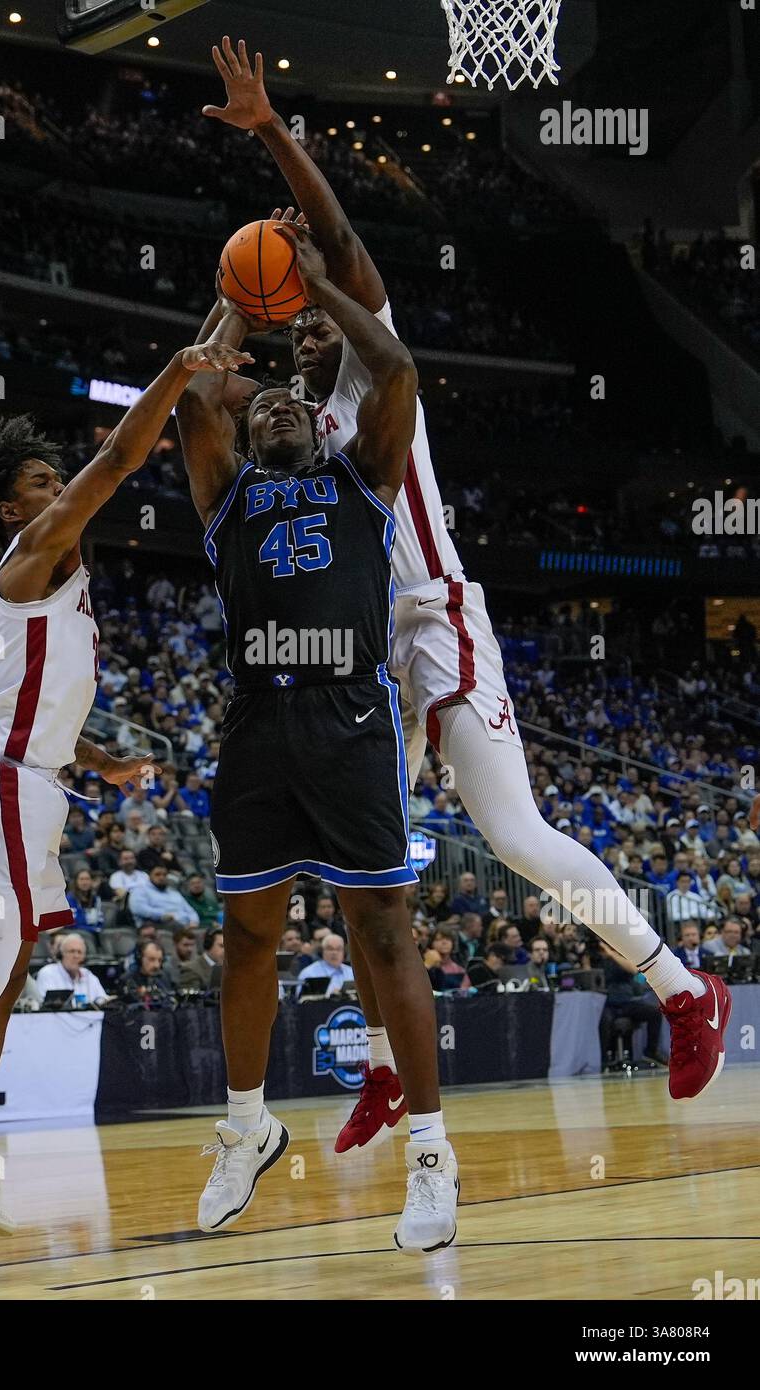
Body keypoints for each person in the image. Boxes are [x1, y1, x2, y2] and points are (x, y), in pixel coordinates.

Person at [200, 35, 730, 1136]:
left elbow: (342, 243)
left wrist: (272, 138)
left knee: (512, 833)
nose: (303, 325)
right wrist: (243, 302)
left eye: (314, 313)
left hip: (433, 618)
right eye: (290, 319)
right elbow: (206, 379)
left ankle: (684, 988)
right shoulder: (278, 427)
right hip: (354, 663)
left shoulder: (374, 376)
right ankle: (390, 1068)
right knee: (362, 879)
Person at [0, 334, 242, 1239]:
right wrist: (184, 369)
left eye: (55, 479)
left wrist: (101, 761)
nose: (60, 488)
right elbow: (121, 458)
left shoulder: (60, 590)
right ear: (14, 509)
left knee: (5, 979)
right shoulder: (34, 550)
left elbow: (35, 706)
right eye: (44, 481)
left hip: (31, 780)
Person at [178, 214, 456, 1253]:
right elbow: (198, 389)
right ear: (249, 438)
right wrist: (241, 303)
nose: (285, 407)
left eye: (299, 403)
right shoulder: (223, 495)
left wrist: (309, 284)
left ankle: (432, 1157)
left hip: (347, 711)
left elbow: (391, 367)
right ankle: (246, 1127)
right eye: (268, 409)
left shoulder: (362, 477)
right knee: (246, 937)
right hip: (255, 720)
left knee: (383, 932)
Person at [35, 933, 108, 1005]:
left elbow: (103, 1000)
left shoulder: (88, 975)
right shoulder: (48, 973)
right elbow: (42, 1005)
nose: (76, 956)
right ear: (61, 954)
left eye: (79, 952)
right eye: (71, 951)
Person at [128, 865, 199, 929]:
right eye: (157, 875)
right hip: (157, 924)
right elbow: (139, 909)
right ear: (150, 876)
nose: (162, 877)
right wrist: (162, 915)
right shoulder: (140, 891)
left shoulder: (174, 893)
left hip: (184, 925)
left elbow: (190, 910)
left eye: (164, 875)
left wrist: (194, 921)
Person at [66, 868, 107, 936]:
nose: (85, 882)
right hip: (77, 933)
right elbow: (73, 924)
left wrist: (98, 929)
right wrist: (92, 929)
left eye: (87, 879)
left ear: (91, 881)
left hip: (95, 933)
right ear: (76, 882)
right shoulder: (70, 899)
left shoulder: (96, 899)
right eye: (81, 879)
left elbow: (100, 921)